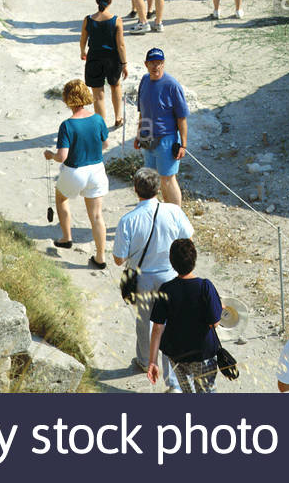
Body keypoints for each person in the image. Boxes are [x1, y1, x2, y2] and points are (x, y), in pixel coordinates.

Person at [114, 169, 196, 389]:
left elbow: (118, 259)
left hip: (142, 279)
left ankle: (144, 360)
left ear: (135, 190)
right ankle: (173, 381)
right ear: (159, 188)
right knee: (171, 325)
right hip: (170, 273)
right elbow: (187, 236)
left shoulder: (128, 220)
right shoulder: (173, 211)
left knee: (145, 323)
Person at [44, 79, 109, 268]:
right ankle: (100, 257)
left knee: (61, 198)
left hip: (75, 171)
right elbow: (105, 144)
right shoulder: (98, 119)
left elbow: (62, 156)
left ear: (67, 99)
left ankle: (66, 237)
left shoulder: (67, 125)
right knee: (97, 216)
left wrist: (50, 155)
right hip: (97, 170)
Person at [147, 238, 222, 394]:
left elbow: (157, 328)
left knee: (187, 391)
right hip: (203, 352)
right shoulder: (205, 286)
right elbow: (214, 323)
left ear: (172, 262)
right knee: (206, 392)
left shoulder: (166, 289)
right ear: (194, 259)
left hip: (177, 352)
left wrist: (152, 361)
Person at [134, 47, 188, 205]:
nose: (155, 66)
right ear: (146, 64)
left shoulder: (172, 85)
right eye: (152, 63)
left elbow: (182, 118)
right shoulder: (144, 81)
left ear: (163, 64)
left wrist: (183, 145)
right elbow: (142, 112)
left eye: (159, 63)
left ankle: (176, 216)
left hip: (166, 140)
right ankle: (156, 214)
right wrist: (139, 135)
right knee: (150, 180)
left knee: (168, 179)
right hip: (148, 138)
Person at [81, 0, 128, 128]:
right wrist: (124, 63)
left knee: (98, 94)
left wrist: (83, 51)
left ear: (97, 2)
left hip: (94, 57)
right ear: (110, 2)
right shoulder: (116, 20)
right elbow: (121, 45)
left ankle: (101, 126)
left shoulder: (88, 20)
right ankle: (118, 118)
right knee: (115, 86)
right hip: (112, 59)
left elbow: (83, 40)